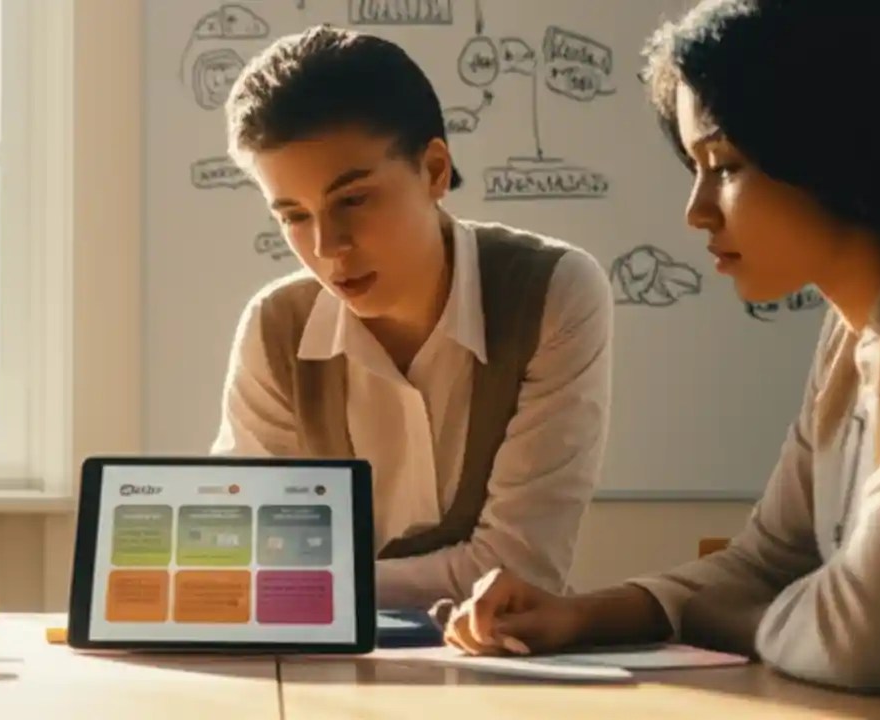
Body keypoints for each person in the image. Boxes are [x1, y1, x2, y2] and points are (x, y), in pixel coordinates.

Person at [437, 0, 880, 693]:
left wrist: (730, 620)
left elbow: (866, 634)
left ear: (829, 144)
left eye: (727, 165)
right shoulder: (848, 332)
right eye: (695, 165)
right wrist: (583, 616)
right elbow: (769, 561)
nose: (696, 210)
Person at [212, 25, 613, 610]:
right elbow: (248, 553)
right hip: (313, 675)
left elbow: (519, 570)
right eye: (294, 216)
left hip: (496, 669)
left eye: (353, 199)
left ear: (434, 171)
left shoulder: (552, 294)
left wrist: (312, 585)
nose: (328, 246)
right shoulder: (277, 327)